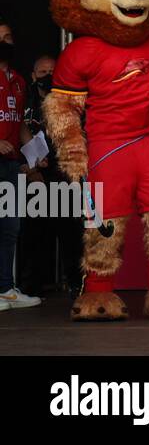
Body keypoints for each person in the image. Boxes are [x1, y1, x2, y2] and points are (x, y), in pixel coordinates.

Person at [18, 52, 82, 296]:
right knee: (34, 234)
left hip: (64, 173)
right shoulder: (24, 102)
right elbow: (16, 133)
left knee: (71, 233)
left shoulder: (72, 103)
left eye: (52, 72)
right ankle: (31, 287)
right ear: (33, 76)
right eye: (43, 73)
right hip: (34, 175)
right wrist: (30, 165)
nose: (48, 77)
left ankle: (77, 282)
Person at [0, 23, 39, 311]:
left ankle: (5, 289)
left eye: (7, 37)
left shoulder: (18, 79)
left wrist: (34, 154)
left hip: (11, 165)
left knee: (10, 227)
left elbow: (19, 123)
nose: (4, 41)